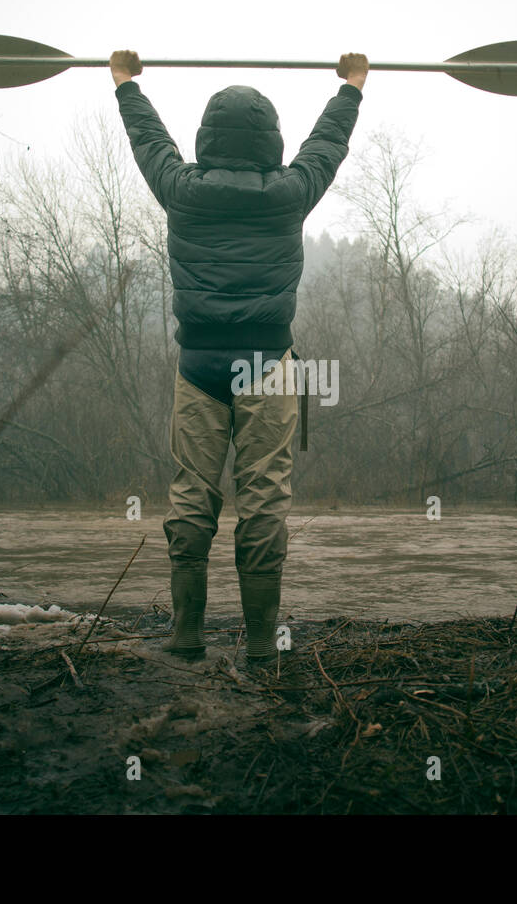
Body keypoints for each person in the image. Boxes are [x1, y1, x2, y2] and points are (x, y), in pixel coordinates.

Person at [110, 48, 367, 662]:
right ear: (271, 142)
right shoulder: (290, 192)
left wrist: (125, 84)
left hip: (198, 368)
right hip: (267, 367)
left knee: (192, 495)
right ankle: (258, 644)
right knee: (264, 500)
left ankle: (188, 635)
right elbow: (327, 145)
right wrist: (351, 87)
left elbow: (149, 141)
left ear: (206, 138)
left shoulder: (182, 190)